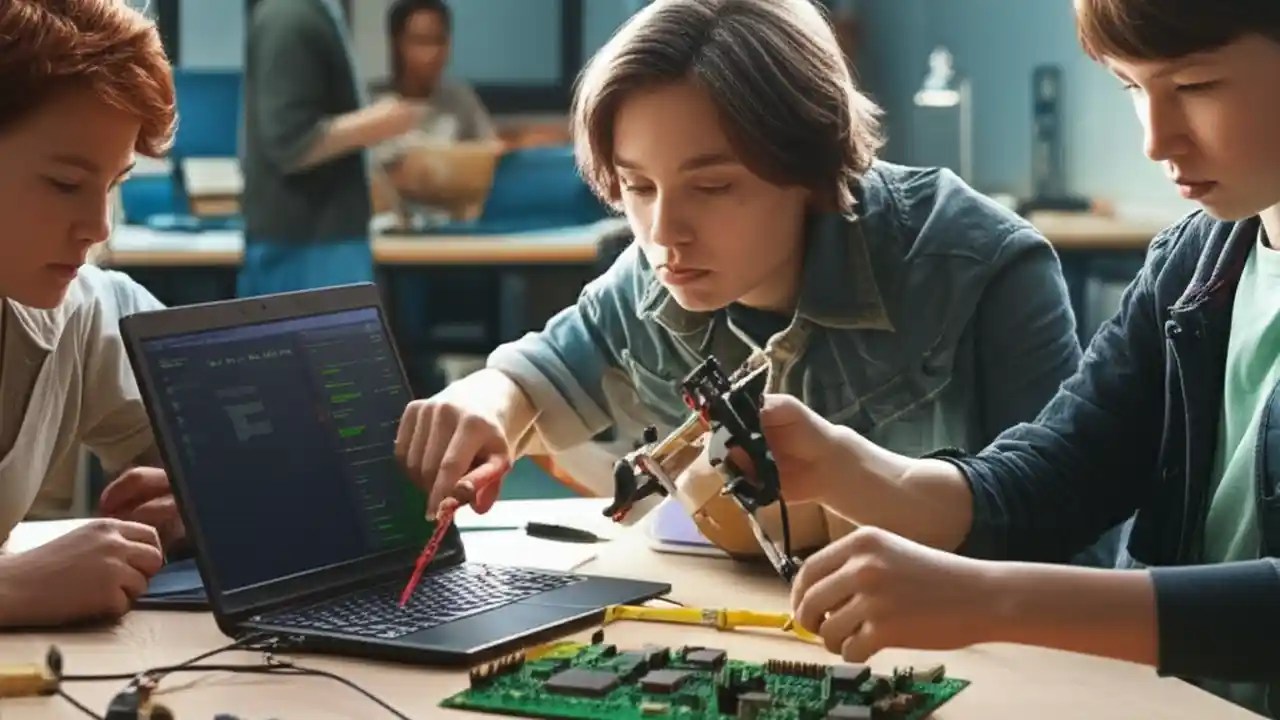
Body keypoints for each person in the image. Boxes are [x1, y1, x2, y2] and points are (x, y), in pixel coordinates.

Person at [394, 0, 1089, 556]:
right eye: (638, 187)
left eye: (714, 186)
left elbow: (1067, 540)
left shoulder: (982, 270)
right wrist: (482, 404)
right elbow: (533, 376)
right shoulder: (654, 276)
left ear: (810, 164)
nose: (664, 233)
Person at [775, 0, 1280, 715]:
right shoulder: (1193, 264)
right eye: (1131, 87)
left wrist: (991, 599)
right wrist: (844, 467)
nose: (1155, 140)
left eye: (1196, 88)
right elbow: (1062, 473)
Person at [0, 0, 187, 628]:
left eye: (112, 183)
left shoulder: (80, 309)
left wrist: (207, 499)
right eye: (64, 183)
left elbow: (282, 447)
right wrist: (12, 590)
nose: (97, 228)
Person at [239, 0, 425, 296]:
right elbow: (290, 142)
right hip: (308, 246)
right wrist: (379, 122)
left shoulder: (312, 12)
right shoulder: (290, 15)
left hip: (319, 241)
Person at [374, 0, 499, 226]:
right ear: (396, 45)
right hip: (393, 233)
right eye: (420, 42)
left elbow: (490, 157)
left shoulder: (460, 100)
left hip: (455, 231)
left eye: (439, 41)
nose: (432, 53)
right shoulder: (375, 105)